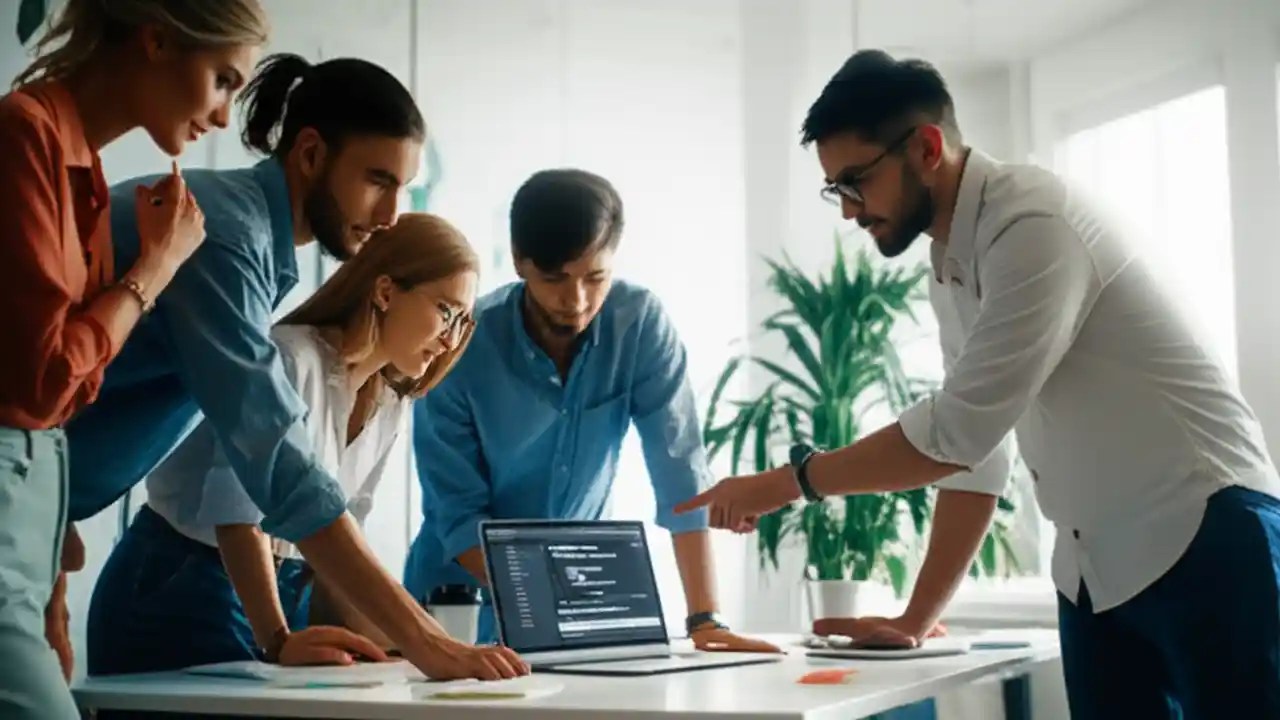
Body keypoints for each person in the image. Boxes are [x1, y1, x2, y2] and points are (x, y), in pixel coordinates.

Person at [677, 49, 1280, 719]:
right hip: (1093, 569)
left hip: (1207, 531)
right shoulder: (951, 262)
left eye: (855, 181)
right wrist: (916, 618)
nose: (848, 211)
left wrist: (790, 480)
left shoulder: (1033, 226)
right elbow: (978, 455)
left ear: (927, 147)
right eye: (836, 190)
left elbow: (955, 432)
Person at [70, 53, 525, 681]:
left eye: (404, 188)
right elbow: (276, 464)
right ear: (310, 155)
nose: (392, 214)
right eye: (377, 180)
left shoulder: (256, 247)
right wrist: (427, 643)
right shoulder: (227, 238)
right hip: (165, 577)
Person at [0, 1, 267, 716]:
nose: (220, 116)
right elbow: (45, 376)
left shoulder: (79, 162)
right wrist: (153, 270)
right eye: (221, 80)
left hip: (31, 525)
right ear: (156, 42)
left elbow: (69, 395)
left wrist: (50, 574)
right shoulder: (23, 134)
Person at [404, 169, 779, 653]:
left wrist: (706, 620)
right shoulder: (462, 343)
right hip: (454, 605)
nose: (576, 301)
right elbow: (457, 511)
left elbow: (680, 472)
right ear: (520, 262)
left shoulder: (639, 324)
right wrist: (549, 594)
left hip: (571, 600)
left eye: (595, 277)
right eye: (555, 278)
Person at [89, 214, 477, 674]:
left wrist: (403, 652)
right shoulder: (290, 359)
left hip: (279, 590)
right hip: (183, 582)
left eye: (463, 323)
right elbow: (236, 517)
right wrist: (276, 638)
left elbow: (339, 553)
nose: (450, 340)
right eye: (446, 312)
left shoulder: (388, 403)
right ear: (386, 291)